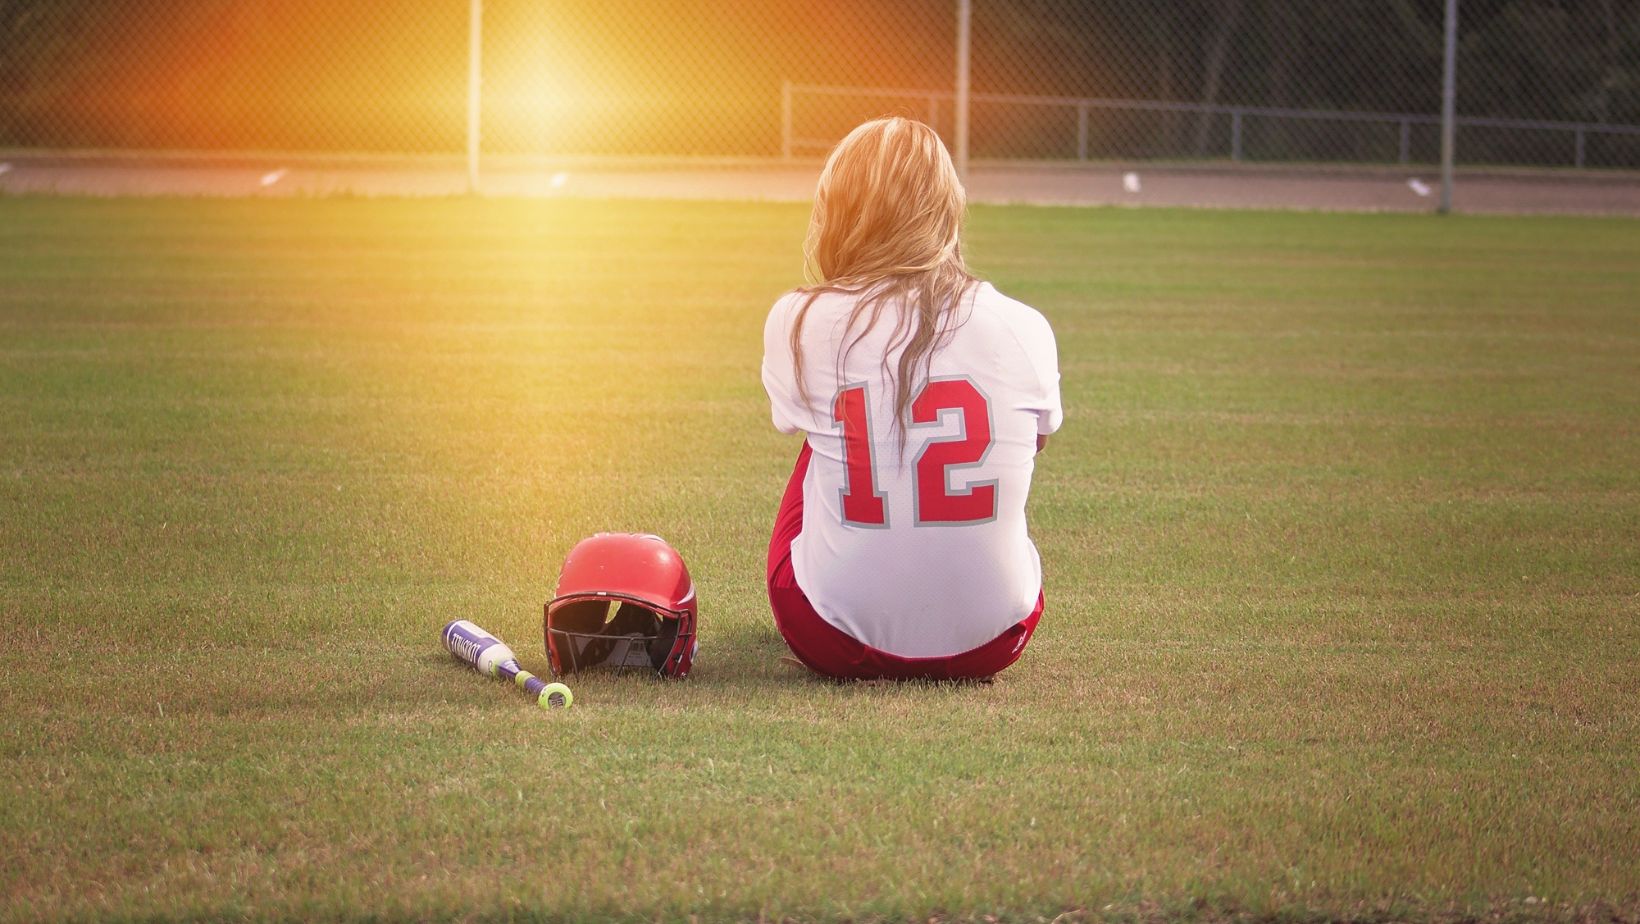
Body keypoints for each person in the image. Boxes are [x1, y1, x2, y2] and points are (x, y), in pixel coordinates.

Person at [761, 117, 1063, 681]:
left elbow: (800, 421)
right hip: (995, 640)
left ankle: (866, 582)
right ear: (947, 207)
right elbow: (1034, 443)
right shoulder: (1026, 325)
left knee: (823, 438)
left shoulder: (799, 318)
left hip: (830, 637)